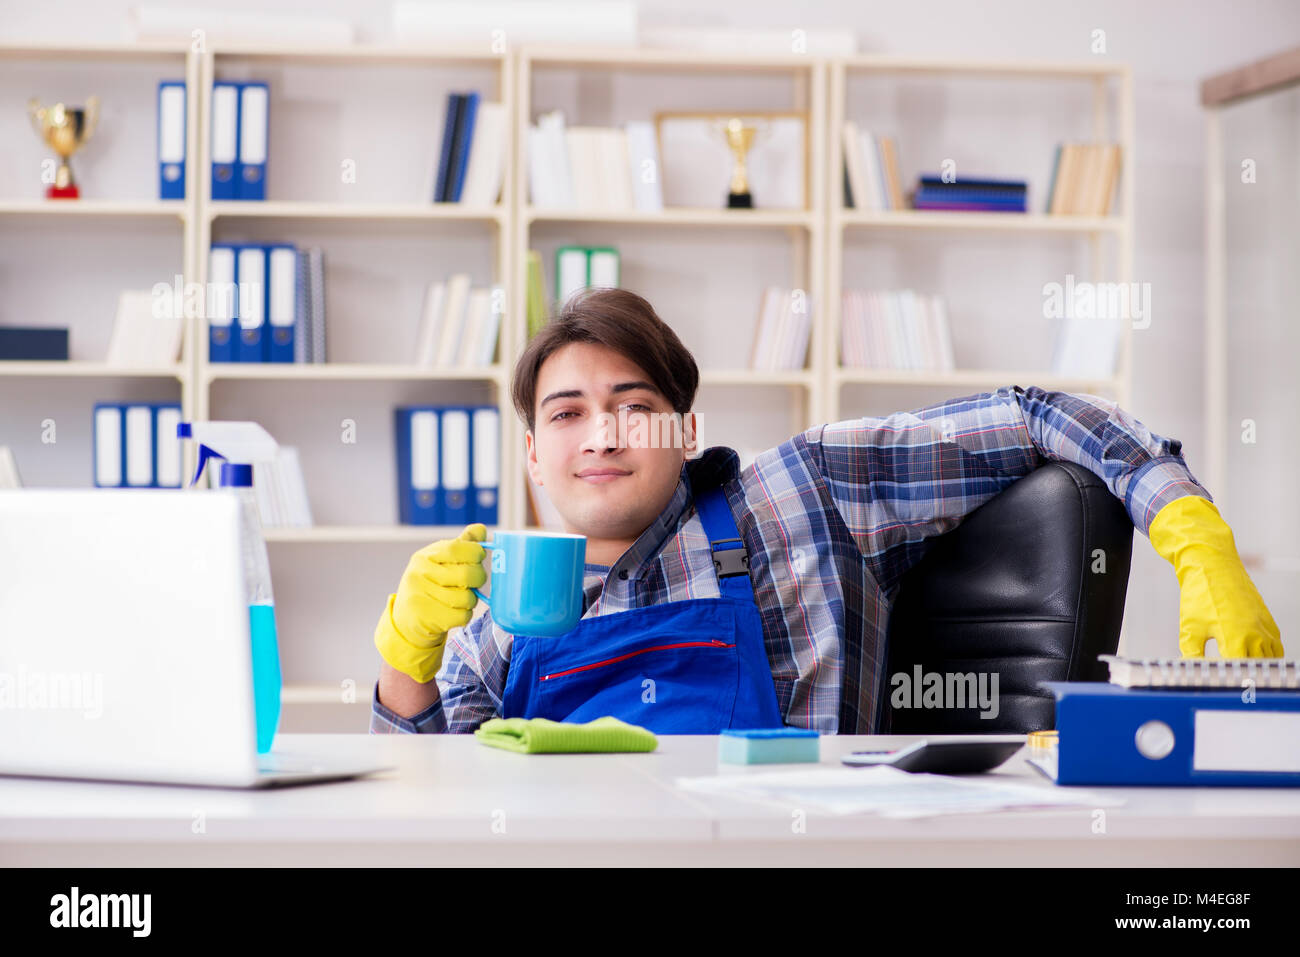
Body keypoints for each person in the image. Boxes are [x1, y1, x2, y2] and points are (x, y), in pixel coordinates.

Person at [371, 287, 1283, 734]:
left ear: (686, 430)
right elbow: (432, 798)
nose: (602, 433)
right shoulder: (492, 603)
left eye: (635, 404)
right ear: (533, 453)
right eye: (566, 414)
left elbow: (1037, 414)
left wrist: (1194, 541)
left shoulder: (802, 490)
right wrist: (402, 662)